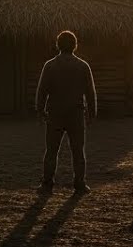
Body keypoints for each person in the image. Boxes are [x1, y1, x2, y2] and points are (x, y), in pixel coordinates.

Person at [35, 30, 96, 195]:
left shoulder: (50, 65)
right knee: (78, 150)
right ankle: (80, 183)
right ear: (75, 46)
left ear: (58, 45)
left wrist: (40, 110)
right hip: (76, 114)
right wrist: (92, 113)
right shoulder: (82, 66)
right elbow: (90, 93)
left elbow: (42, 90)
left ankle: (47, 183)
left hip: (55, 114)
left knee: (51, 150)